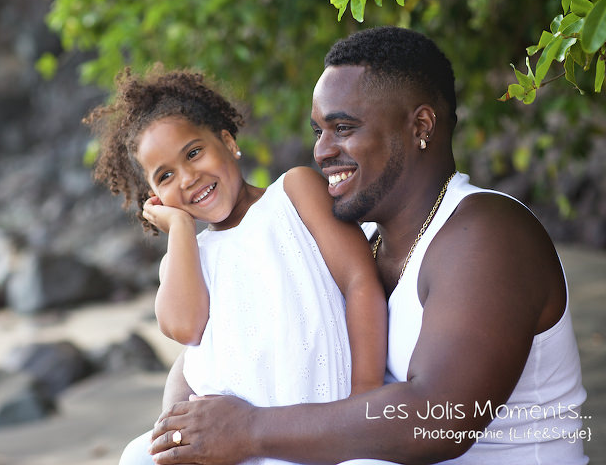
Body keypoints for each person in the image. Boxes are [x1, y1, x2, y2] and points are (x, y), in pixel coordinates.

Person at [148, 27, 588, 464]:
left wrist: (250, 430)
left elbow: (436, 420)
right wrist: (178, 425)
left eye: (342, 127)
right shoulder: (374, 246)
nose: (321, 151)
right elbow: (225, 339)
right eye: (319, 131)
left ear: (420, 125)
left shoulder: (488, 235)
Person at [88, 66, 388, 464]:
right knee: (136, 456)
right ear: (155, 197)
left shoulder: (293, 195)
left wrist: (362, 404)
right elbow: (183, 327)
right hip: (237, 449)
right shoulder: (188, 261)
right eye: (166, 176)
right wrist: (179, 227)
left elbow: (359, 283)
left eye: (194, 153)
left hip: (321, 429)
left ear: (228, 141)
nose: (190, 177)